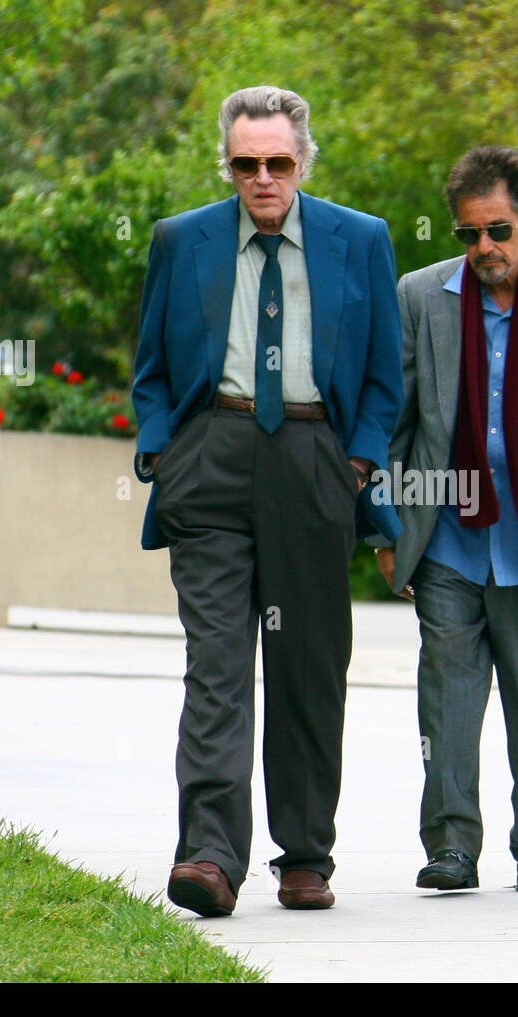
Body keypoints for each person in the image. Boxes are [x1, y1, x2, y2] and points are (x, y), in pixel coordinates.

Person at [130, 86, 403, 914]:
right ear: (229, 162)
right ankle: (210, 854)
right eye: (245, 164)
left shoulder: (361, 240)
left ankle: (305, 854)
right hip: (211, 457)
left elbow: (387, 378)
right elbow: (151, 370)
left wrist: (355, 465)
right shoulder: (184, 240)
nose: (262, 179)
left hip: (315, 458)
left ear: (302, 160)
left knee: (308, 666)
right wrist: (162, 455)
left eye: (277, 163)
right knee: (216, 664)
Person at [371, 146, 518, 894]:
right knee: (448, 703)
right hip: (447, 539)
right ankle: (452, 844)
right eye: (469, 234)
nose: (484, 248)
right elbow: (396, 423)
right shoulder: (420, 295)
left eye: (498, 230)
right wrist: (388, 528)